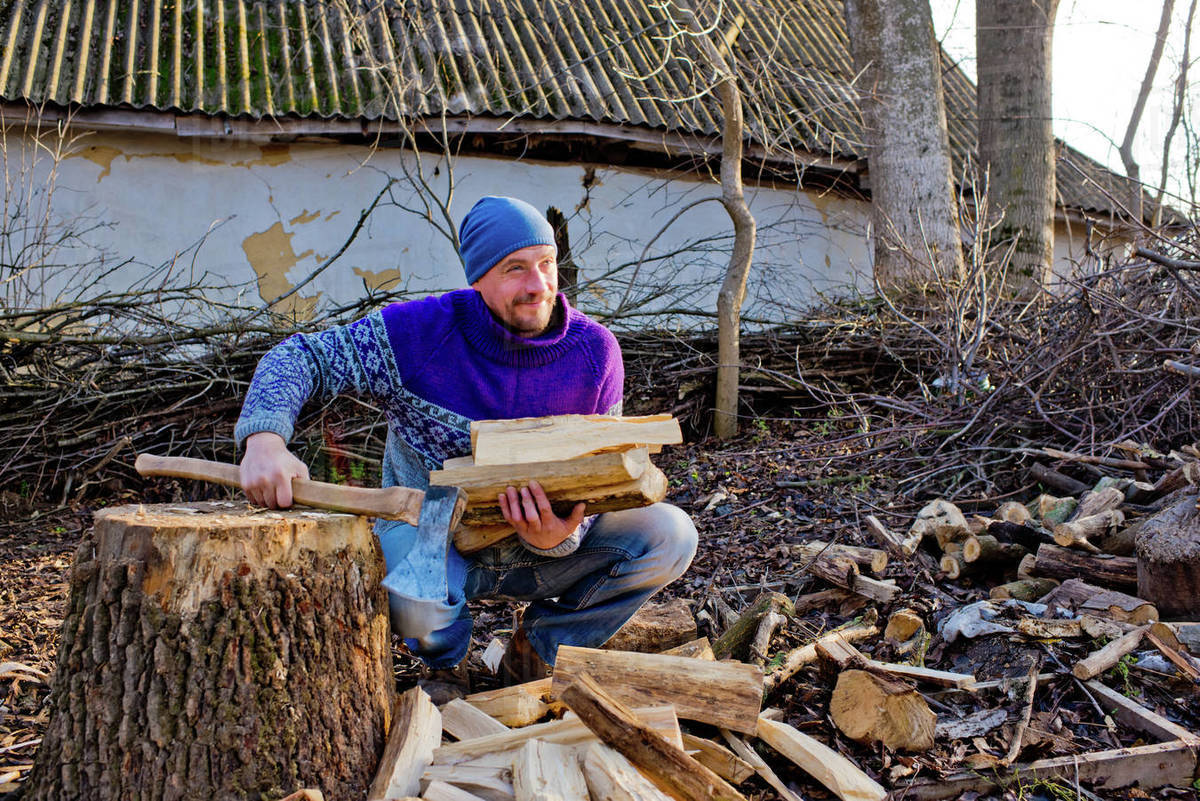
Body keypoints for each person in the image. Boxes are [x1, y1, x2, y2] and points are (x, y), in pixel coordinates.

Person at [235, 196, 697, 687]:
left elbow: (607, 475)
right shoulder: (419, 333)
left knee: (671, 536)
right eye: (515, 269)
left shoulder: (595, 353)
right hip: (433, 531)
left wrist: (563, 536)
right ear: (476, 278)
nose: (537, 285)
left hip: (547, 548)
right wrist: (264, 438)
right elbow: (301, 357)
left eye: (546, 264)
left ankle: (538, 650)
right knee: (417, 598)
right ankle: (448, 667)